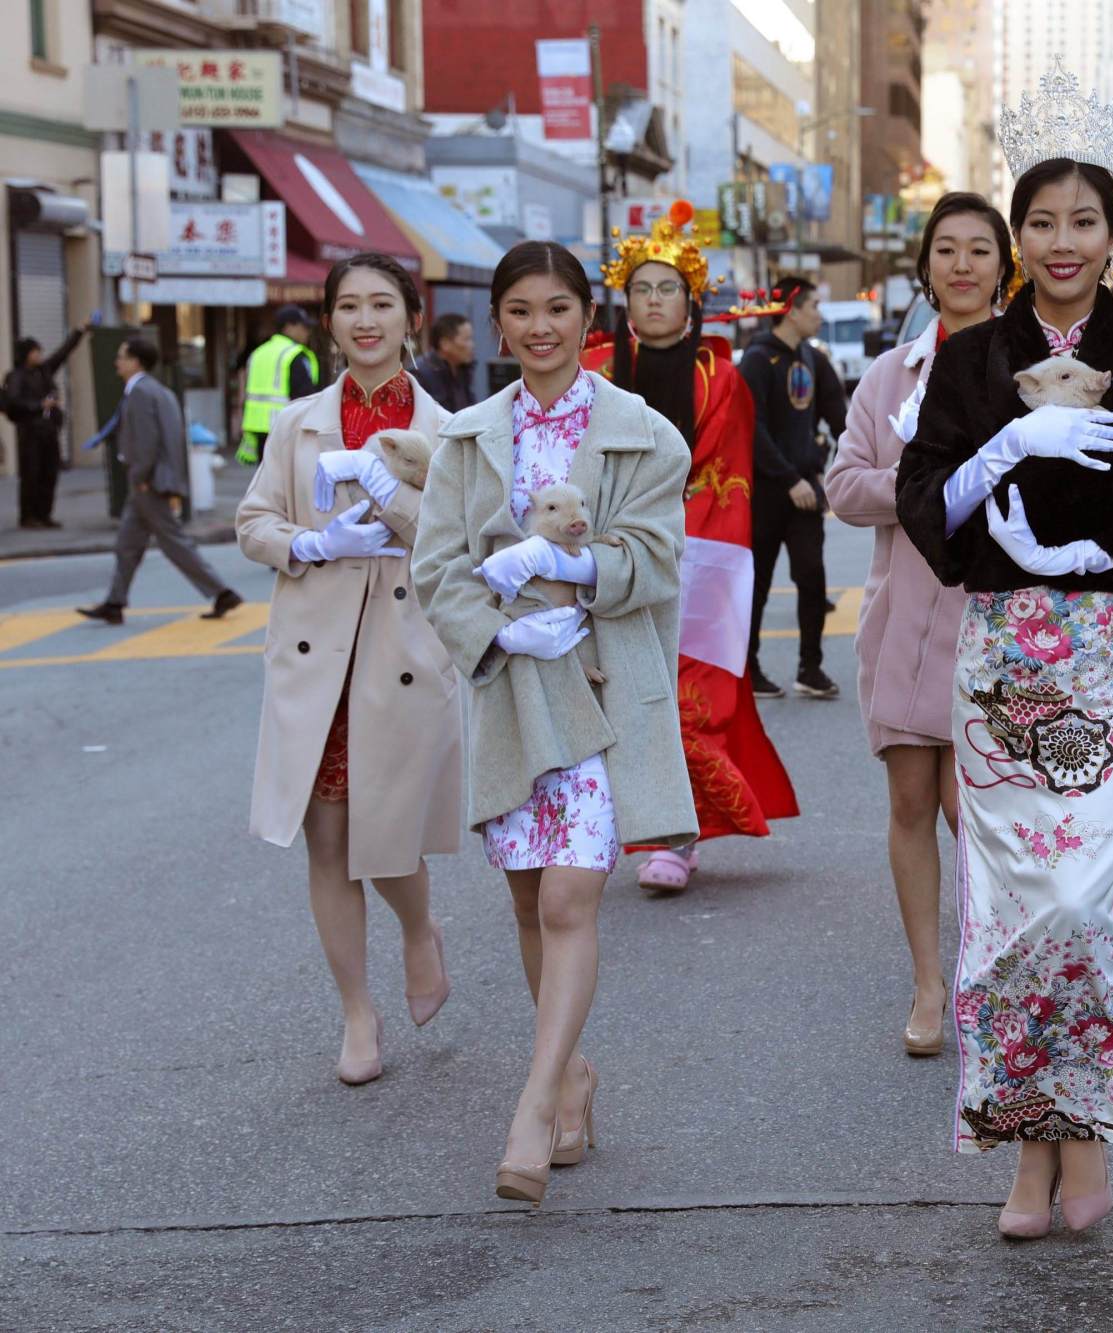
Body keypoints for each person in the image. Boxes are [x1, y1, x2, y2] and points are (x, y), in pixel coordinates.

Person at [896, 65, 1113, 1237]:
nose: (1060, 240)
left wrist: (1084, 557)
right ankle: (1032, 1154)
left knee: (1081, 899)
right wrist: (999, 457)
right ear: (1016, 235)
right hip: (1001, 663)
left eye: (1083, 220)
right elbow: (925, 489)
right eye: (1040, 221)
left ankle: (1080, 1136)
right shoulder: (971, 365)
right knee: (1011, 909)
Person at [413, 240, 697, 1206]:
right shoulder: (466, 438)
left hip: (603, 691)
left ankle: (533, 1102)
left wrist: (582, 572)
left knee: (574, 898)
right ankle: (572, 1072)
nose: (541, 328)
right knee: (531, 902)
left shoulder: (646, 434)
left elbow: (658, 563)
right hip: (509, 690)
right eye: (522, 311)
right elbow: (436, 570)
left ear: (589, 317)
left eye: (559, 309)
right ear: (499, 324)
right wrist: (496, 632)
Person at [233, 253, 460, 1086]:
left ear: (411, 317)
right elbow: (253, 520)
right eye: (350, 306)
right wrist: (309, 542)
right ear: (327, 320)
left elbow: (466, 537)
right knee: (326, 835)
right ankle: (358, 1013)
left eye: (383, 305)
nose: (367, 321)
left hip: (401, 655)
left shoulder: (452, 428)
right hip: (316, 657)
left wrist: (391, 502)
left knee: (388, 836)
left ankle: (418, 927)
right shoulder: (296, 424)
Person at [825, 191, 1011, 1056]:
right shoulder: (889, 375)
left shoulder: (1031, 371)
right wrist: (923, 482)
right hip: (903, 617)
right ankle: (928, 981)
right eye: (947, 249)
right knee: (909, 797)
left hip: (995, 623)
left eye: (980, 249)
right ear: (926, 266)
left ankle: (988, 969)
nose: (963, 264)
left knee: (971, 812)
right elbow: (843, 485)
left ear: (1004, 267)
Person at [584, 201, 799, 893]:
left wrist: (667, 543)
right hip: (596, 559)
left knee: (685, 701)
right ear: (624, 301)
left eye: (666, 288)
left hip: (695, 557)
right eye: (641, 289)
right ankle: (596, 828)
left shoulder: (721, 378)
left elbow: (725, 476)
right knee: (603, 697)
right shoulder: (592, 369)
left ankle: (675, 834)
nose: (653, 301)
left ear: (691, 301)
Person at [76, 337, 244, 626]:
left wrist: (141, 477)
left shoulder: (141, 393)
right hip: (150, 481)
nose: (117, 362)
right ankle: (115, 602)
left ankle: (222, 592)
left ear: (135, 361)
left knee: (175, 543)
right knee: (127, 545)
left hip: (148, 483)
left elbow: (146, 440)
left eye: (121, 356)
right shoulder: (154, 390)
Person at [740, 275, 845, 700]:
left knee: (812, 577)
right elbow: (752, 428)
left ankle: (811, 667)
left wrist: (832, 466)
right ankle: (748, 669)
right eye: (815, 305)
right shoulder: (757, 359)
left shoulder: (813, 358)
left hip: (805, 489)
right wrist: (788, 479)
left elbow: (840, 419)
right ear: (793, 310)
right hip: (765, 492)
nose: (820, 314)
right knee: (756, 584)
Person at [4, 323, 87, 529]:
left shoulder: (44, 371)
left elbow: (62, 353)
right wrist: (39, 405)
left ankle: (45, 514)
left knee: (49, 473)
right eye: (35, 351)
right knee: (31, 474)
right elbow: (12, 402)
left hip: (49, 430)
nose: (39, 354)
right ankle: (28, 516)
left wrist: (78, 332)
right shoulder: (16, 376)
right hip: (30, 431)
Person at [238, 305, 321, 465]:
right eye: (304, 327)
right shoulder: (295, 354)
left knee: (268, 483)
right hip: (286, 429)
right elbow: (305, 398)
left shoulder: (258, 353)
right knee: (289, 485)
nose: (307, 332)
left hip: (258, 429)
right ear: (289, 326)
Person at [411, 312, 477, 414]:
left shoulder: (463, 370)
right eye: (466, 340)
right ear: (445, 344)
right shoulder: (420, 374)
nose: (472, 345)